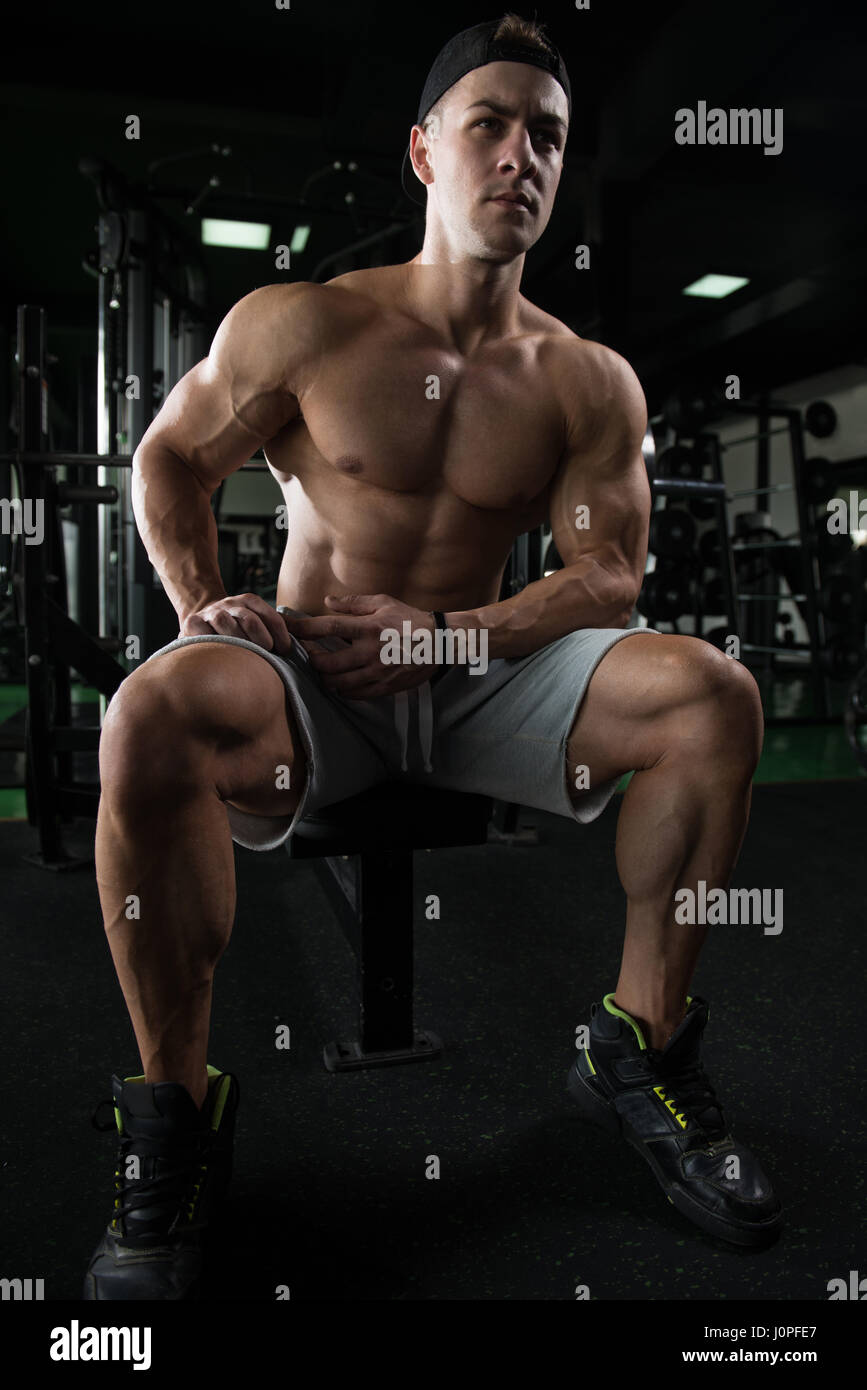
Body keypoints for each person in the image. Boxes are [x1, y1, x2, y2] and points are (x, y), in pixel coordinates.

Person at [83, 13, 781, 1301]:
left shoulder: (583, 379)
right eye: (492, 125)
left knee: (710, 696)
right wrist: (198, 607)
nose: (523, 156)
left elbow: (607, 573)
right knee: (149, 715)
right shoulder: (302, 327)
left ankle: (638, 1043)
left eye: (550, 138)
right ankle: (175, 1121)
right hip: (316, 678)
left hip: (480, 675)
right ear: (423, 152)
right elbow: (168, 458)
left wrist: (450, 635)